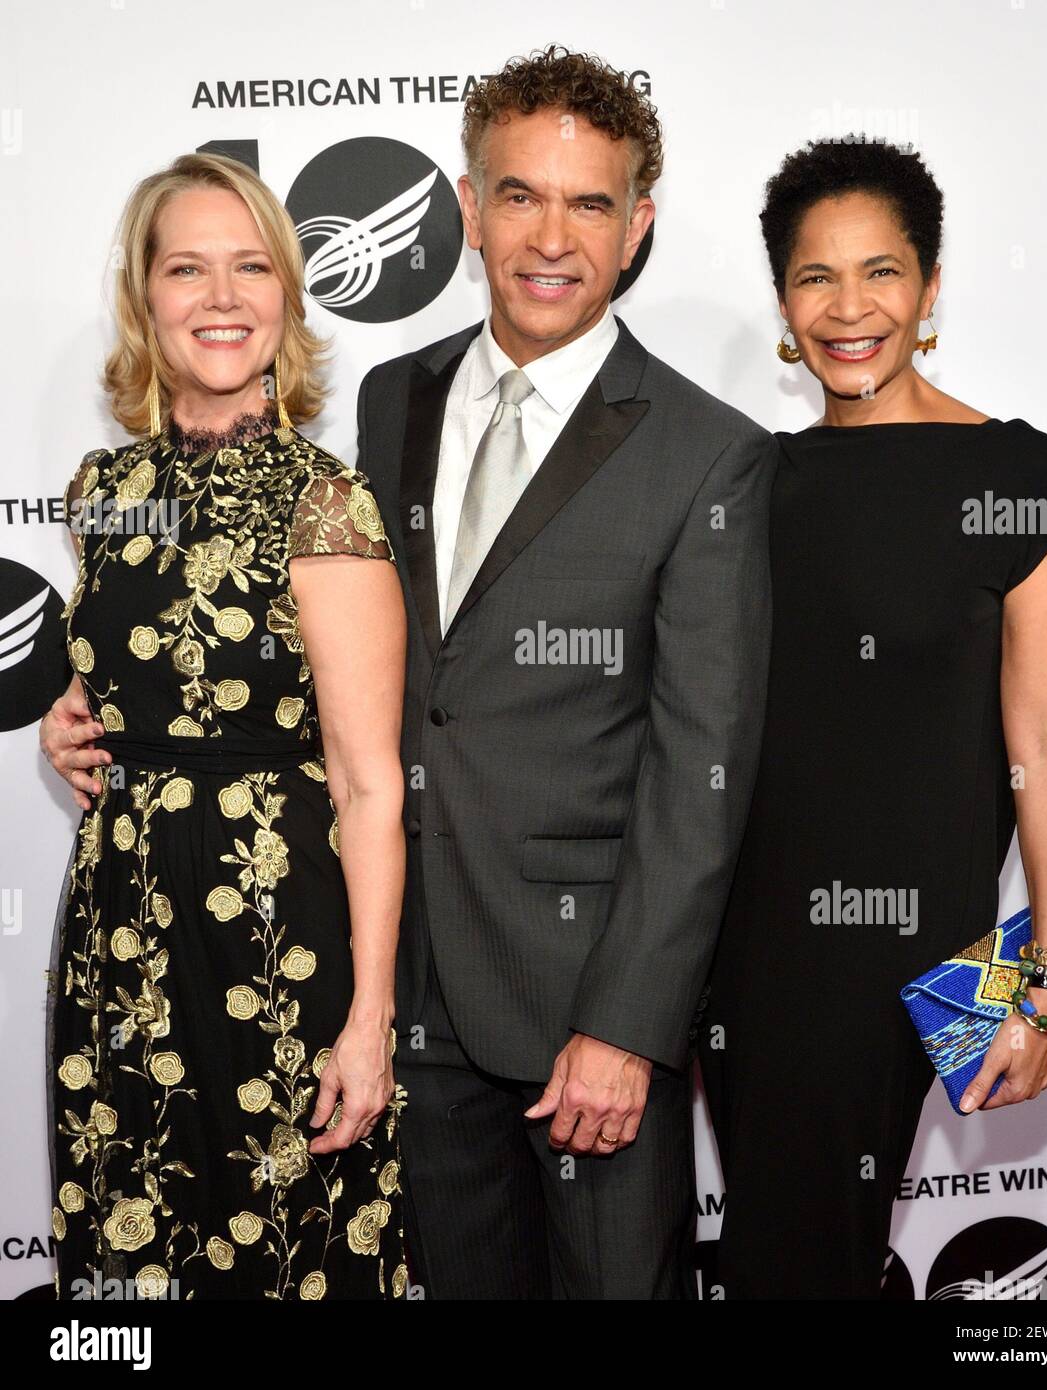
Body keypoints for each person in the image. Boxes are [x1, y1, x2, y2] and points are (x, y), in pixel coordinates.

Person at [355, 44, 776, 1299]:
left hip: (580, 1005)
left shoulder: (711, 456)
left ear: (637, 224)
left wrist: (626, 1025)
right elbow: (366, 660)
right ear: (470, 209)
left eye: (590, 202)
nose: (552, 235)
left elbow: (699, 772)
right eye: (521, 195)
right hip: (405, 983)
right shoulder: (393, 398)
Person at [699, 136, 1047, 1299]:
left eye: (880, 272)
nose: (848, 307)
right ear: (781, 300)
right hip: (748, 955)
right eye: (816, 277)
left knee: (811, 1245)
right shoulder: (747, 479)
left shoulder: (1013, 473)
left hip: (925, 951)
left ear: (927, 288)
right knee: (797, 1247)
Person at [39, 152, 408, 1300]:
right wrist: (73, 718)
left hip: (276, 930)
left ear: (289, 296)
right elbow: (126, 676)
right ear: (145, 295)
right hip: (121, 927)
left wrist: (369, 1020)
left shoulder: (322, 498)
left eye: (251, 267)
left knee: (288, 1237)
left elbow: (368, 785)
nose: (222, 296)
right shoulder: (105, 488)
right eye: (188, 267)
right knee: (131, 1241)